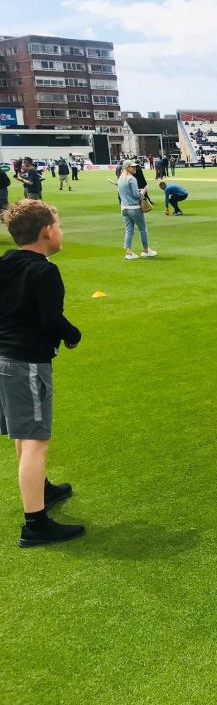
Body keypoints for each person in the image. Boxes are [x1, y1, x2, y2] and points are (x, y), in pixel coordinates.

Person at [0, 199, 85, 547]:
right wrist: (72, 335)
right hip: (26, 363)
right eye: (59, 226)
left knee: (24, 434)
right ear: (47, 231)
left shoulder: (5, 263)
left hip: (5, 359)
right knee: (36, 440)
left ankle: (42, 489)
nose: (61, 232)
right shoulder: (45, 271)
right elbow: (50, 319)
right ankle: (35, 524)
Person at [117, 160, 157, 260]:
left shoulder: (120, 178)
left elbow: (125, 193)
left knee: (129, 230)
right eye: (132, 167)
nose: (135, 168)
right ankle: (146, 250)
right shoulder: (132, 179)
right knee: (143, 229)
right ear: (127, 167)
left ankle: (129, 252)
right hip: (134, 208)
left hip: (124, 208)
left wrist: (138, 191)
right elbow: (136, 196)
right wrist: (143, 191)